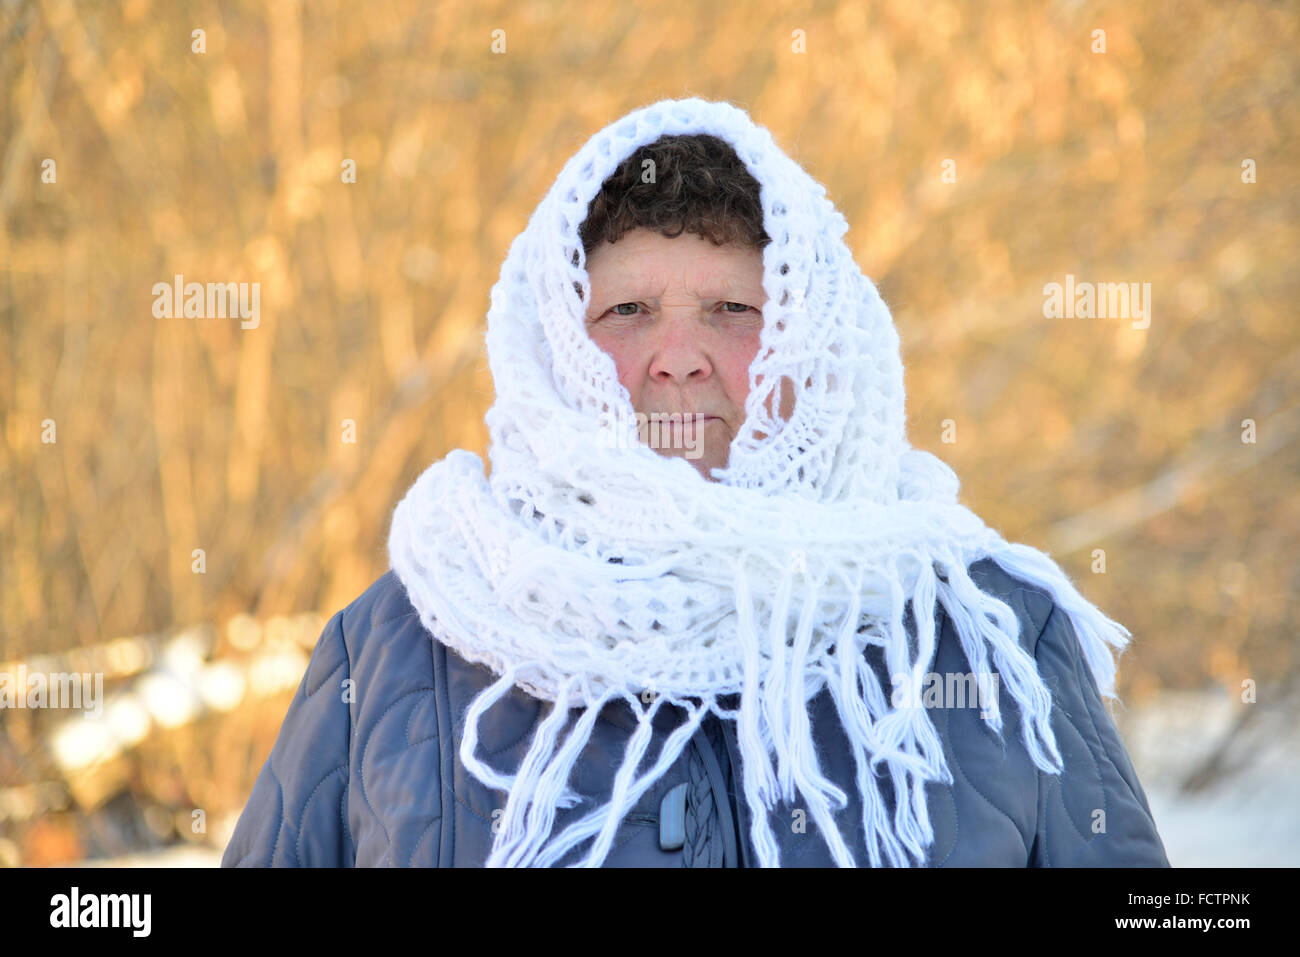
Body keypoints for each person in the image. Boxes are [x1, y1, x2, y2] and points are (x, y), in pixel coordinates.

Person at [221, 97, 1170, 867]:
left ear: (809, 336)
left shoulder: (985, 635)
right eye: (628, 309)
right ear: (556, 342)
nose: (679, 359)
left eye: (731, 308)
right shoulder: (396, 646)